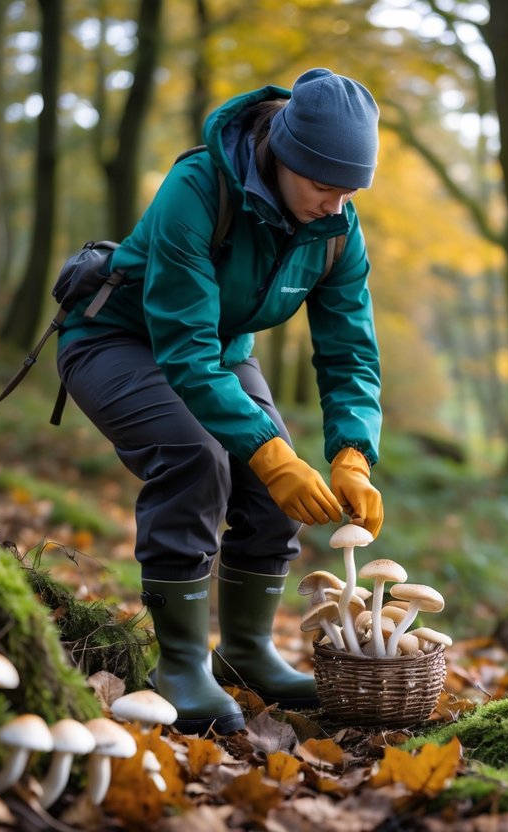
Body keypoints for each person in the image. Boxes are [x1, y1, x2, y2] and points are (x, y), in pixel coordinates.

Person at [55, 68, 385, 735]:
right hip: (115, 339)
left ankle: (245, 654)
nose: (336, 203)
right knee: (199, 455)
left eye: (350, 191)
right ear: (285, 154)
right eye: (324, 185)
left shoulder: (336, 228)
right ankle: (179, 663)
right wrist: (265, 451)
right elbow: (184, 350)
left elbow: (349, 350)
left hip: (221, 354)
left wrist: (352, 452)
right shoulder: (199, 188)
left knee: (269, 484)